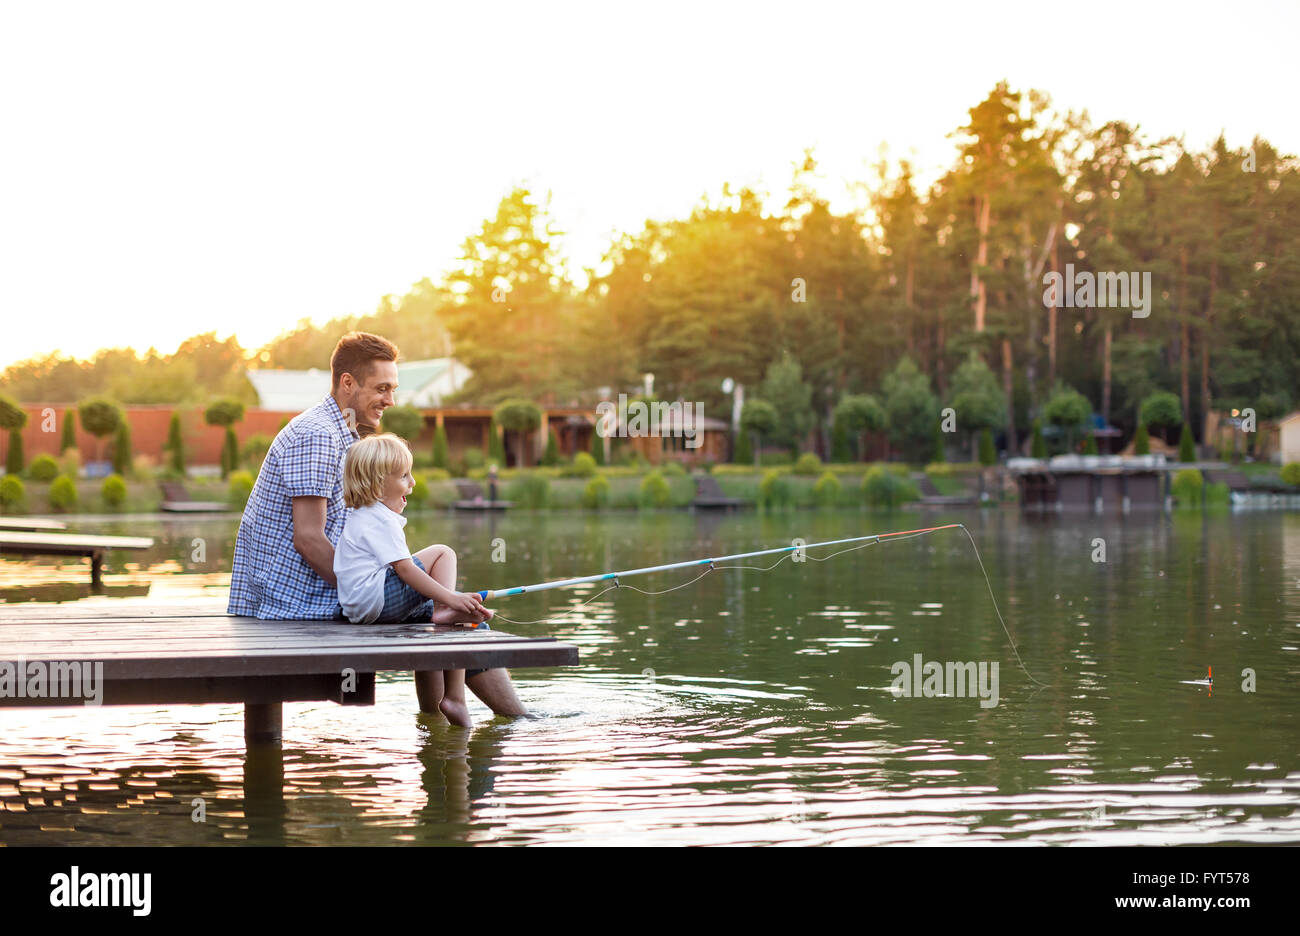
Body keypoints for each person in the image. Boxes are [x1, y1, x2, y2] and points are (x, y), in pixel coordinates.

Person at [227, 330, 525, 718]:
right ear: (347, 383)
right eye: (381, 388)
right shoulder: (317, 436)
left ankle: (434, 728)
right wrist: (377, 586)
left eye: (393, 389)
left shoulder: (342, 433)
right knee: (458, 616)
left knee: (436, 599)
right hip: (293, 602)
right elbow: (309, 539)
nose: (390, 400)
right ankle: (518, 720)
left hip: (315, 590)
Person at [335, 432, 491, 727]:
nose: (413, 482)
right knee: (443, 553)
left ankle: (444, 701)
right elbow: (406, 571)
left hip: (364, 609)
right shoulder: (380, 519)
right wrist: (451, 598)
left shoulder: (360, 516)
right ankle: (454, 697)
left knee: (467, 619)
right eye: (404, 476)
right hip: (378, 600)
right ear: (378, 484)